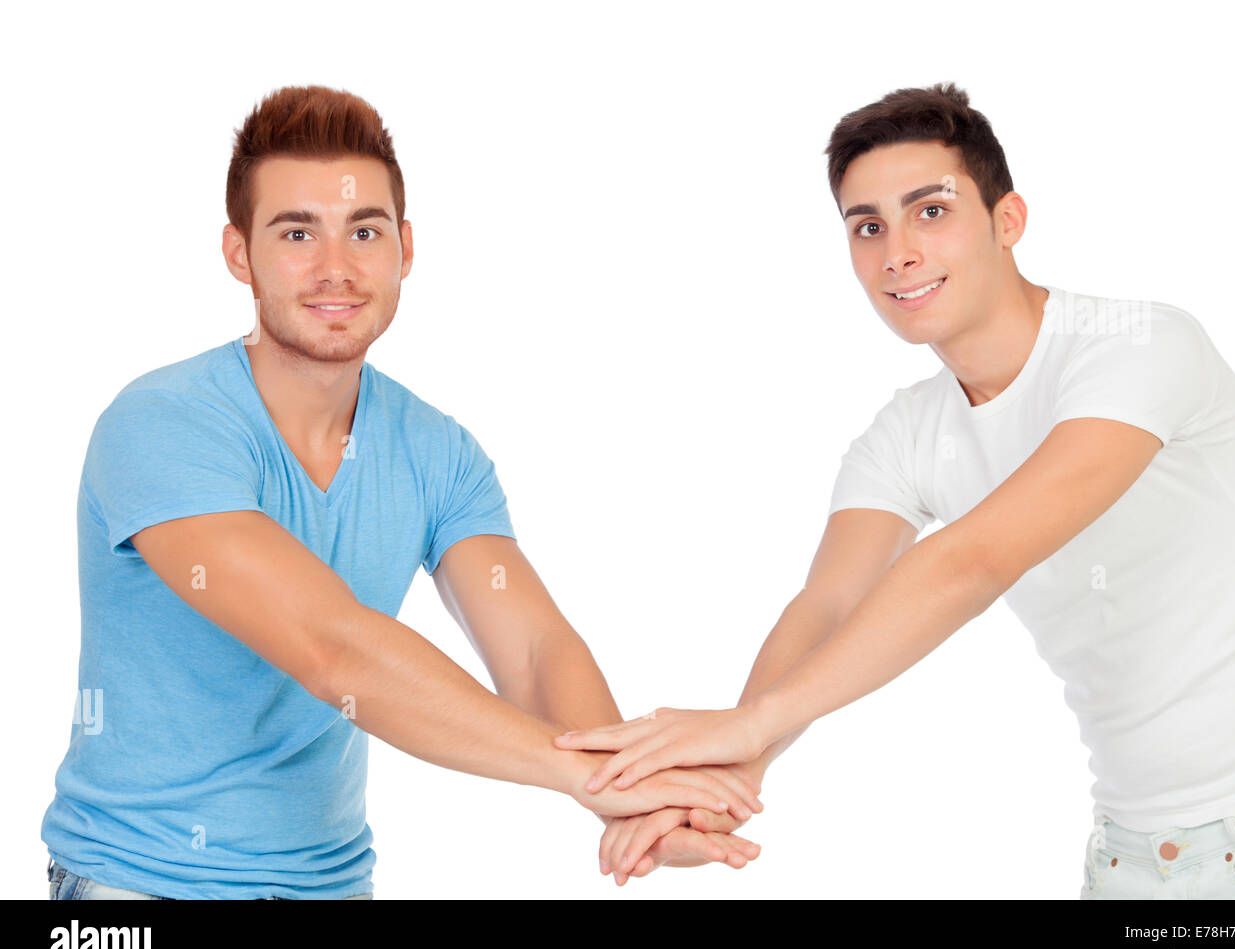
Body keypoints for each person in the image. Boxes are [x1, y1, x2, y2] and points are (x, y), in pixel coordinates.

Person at [555, 82, 1235, 898]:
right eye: (866, 226)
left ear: (1007, 221)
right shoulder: (905, 435)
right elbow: (830, 608)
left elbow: (975, 558)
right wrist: (727, 777)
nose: (896, 252)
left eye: (931, 211)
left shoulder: (1139, 348)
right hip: (1136, 854)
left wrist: (749, 725)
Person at [42, 84, 763, 900]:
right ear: (238, 253)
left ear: (405, 248)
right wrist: (590, 779)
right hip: (134, 889)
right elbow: (330, 648)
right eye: (296, 232)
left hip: (332, 884)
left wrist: (632, 789)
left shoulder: (436, 450)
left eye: (364, 231)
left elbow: (530, 649)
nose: (336, 268)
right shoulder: (163, 424)